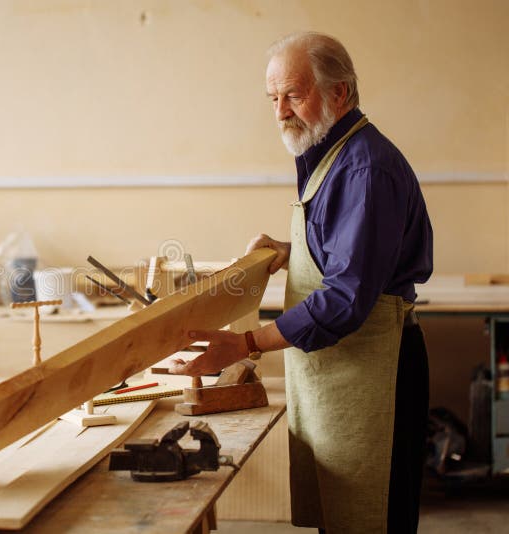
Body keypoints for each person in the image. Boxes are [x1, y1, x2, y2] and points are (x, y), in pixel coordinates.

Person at [169, 32, 433, 534]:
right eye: (272, 98)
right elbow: (346, 255)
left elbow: (346, 297)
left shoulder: (366, 168)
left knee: (375, 517)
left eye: (293, 94)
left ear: (340, 93)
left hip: (378, 374)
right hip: (342, 375)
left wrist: (247, 343)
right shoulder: (329, 152)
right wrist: (289, 253)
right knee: (342, 516)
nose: (280, 112)